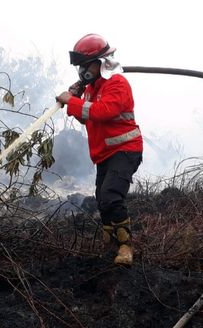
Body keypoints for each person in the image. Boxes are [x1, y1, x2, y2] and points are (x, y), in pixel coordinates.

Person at [56, 33, 143, 265]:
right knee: (102, 200)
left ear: (100, 63)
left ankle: (126, 248)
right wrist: (74, 97)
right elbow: (86, 118)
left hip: (125, 150)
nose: (82, 70)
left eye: (85, 66)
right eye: (80, 67)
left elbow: (103, 112)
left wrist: (72, 100)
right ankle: (110, 246)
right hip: (105, 154)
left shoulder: (117, 83)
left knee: (111, 196)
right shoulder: (92, 88)